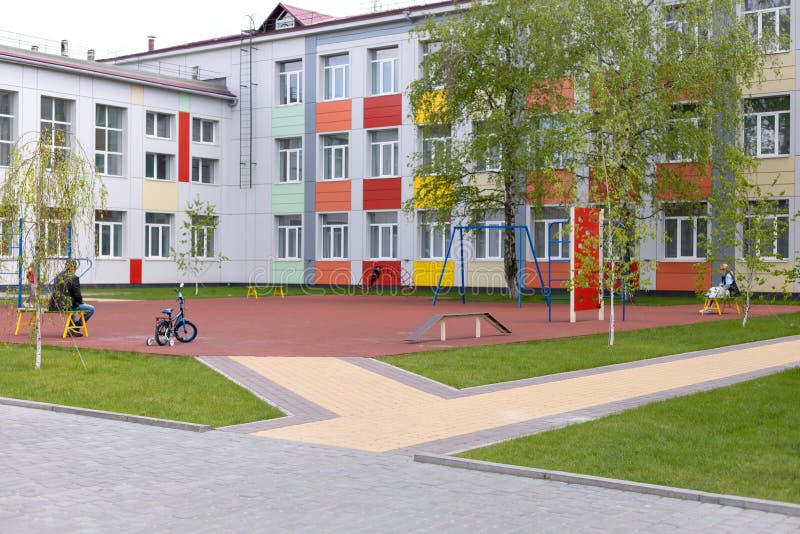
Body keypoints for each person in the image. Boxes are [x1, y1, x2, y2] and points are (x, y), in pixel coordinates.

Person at [48, 259, 95, 337]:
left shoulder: (58, 276)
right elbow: (77, 295)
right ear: (75, 268)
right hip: (67, 305)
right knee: (91, 309)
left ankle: (71, 328)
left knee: (73, 305)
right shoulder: (74, 277)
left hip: (55, 304)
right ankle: (76, 326)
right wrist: (79, 302)